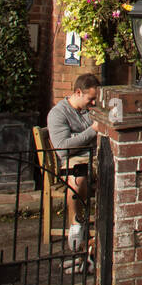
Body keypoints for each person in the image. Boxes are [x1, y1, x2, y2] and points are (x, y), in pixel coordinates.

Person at [46, 73, 101, 250]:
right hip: (72, 159)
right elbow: (63, 148)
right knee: (77, 178)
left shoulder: (90, 110)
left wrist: (78, 137)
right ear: (78, 92)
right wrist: (92, 131)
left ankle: (105, 226)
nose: (93, 103)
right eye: (91, 99)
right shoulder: (58, 114)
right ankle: (77, 224)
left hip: (95, 158)